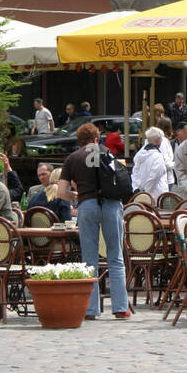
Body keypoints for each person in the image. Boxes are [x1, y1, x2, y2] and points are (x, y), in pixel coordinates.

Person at [56, 123, 130, 320]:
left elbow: (61, 192)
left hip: (87, 205)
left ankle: (90, 309)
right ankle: (121, 307)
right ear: (97, 139)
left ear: (79, 141)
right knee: (115, 257)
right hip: (112, 205)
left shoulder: (73, 159)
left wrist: (76, 196)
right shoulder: (108, 152)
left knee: (89, 259)